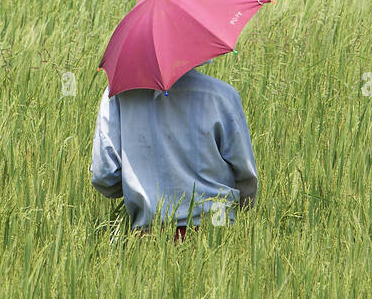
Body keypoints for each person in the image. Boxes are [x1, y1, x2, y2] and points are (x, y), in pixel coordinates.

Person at [90, 66, 257, 238]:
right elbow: (245, 176)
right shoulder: (222, 96)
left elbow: (104, 175)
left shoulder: (117, 94)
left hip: (150, 233)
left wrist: (136, 188)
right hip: (216, 229)